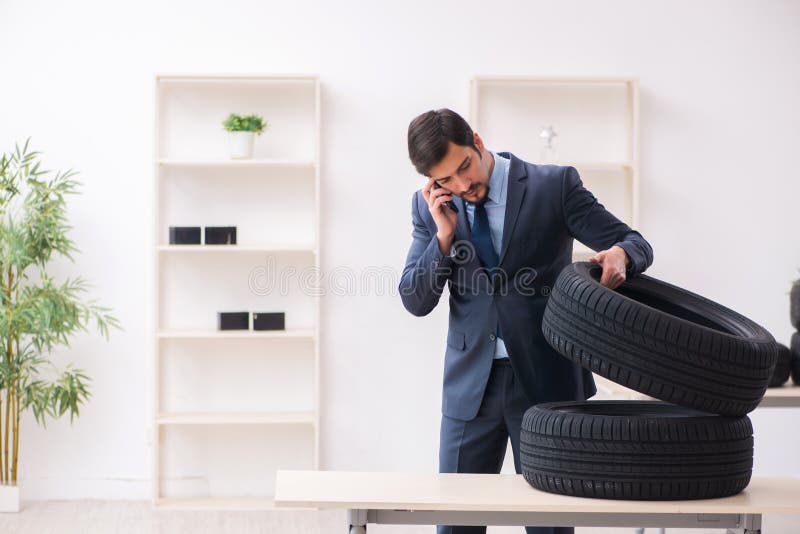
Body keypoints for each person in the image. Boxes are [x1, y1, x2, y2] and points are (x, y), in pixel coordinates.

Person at [398, 108, 654, 534]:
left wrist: (622, 255)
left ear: (477, 141)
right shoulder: (429, 208)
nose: (463, 186)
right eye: (446, 180)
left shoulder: (552, 186)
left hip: (547, 379)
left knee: (549, 525)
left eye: (464, 166)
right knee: (456, 524)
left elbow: (633, 241)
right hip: (469, 390)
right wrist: (442, 238)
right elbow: (414, 299)